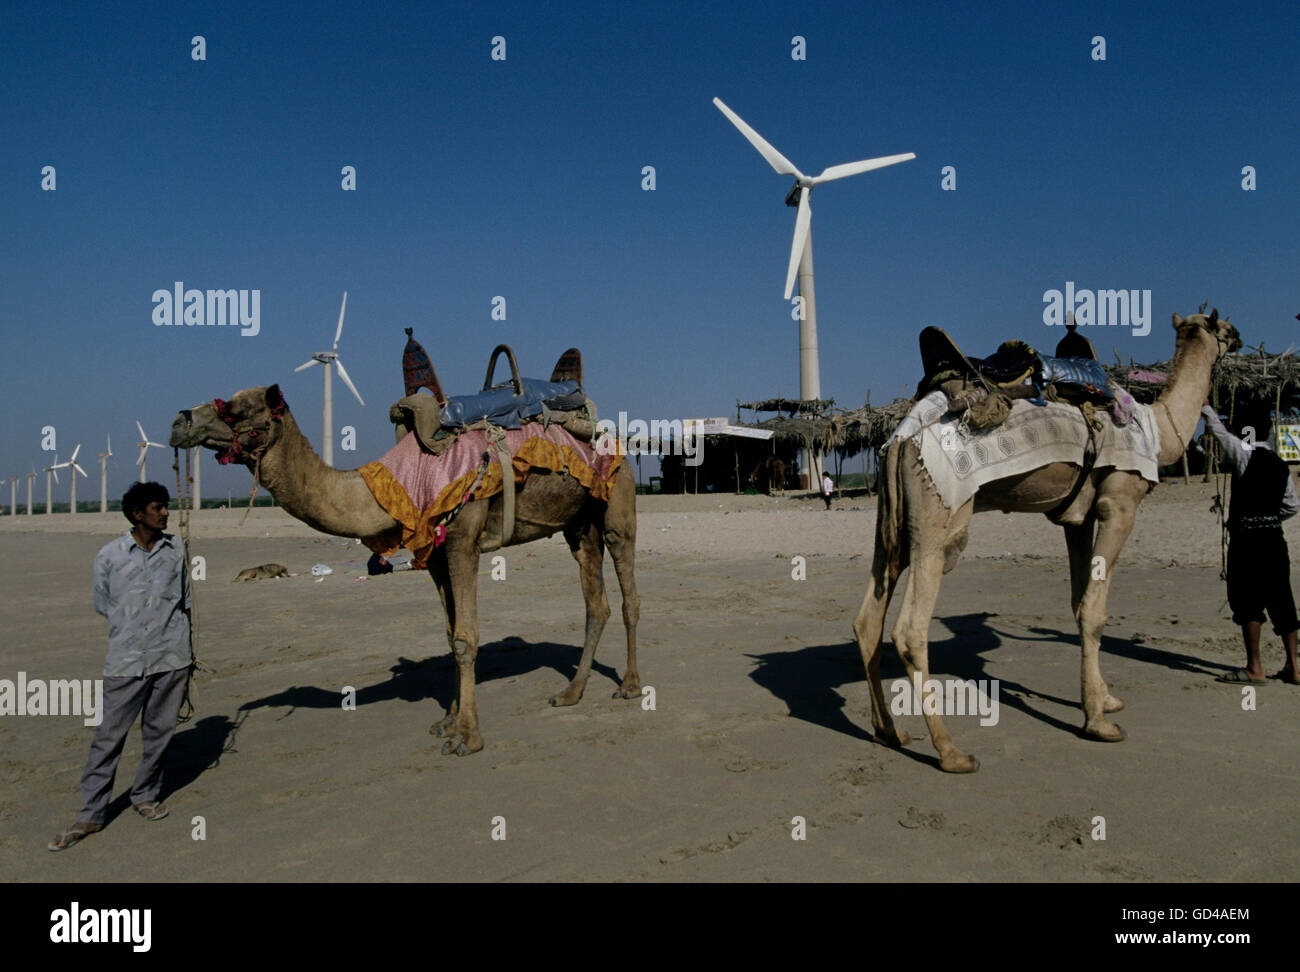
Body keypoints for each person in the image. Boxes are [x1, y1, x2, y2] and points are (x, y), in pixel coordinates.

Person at [48, 482, 193, 850]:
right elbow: (103, 603)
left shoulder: (177, 549)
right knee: (108, 736)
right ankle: (92, 812)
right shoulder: (110, 555)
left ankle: (145, 794)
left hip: (171, 657)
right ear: (137, 514)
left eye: (166, 507)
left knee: (159, 733)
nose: (165, 513)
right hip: (126, 661)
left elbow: (185, 601)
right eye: (158, 508)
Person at [1201, 404, 1299, 685]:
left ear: (1244, 432)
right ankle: (1294, 666)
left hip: (1248, 542)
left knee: (1248, 601)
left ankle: (1255, 668)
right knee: (1282, 600)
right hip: (1275, 540)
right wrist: (1269, 517)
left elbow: (1218, 432)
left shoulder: (1244, 453)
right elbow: (1292, 507)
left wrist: (1205, 406)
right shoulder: (1281, 466)